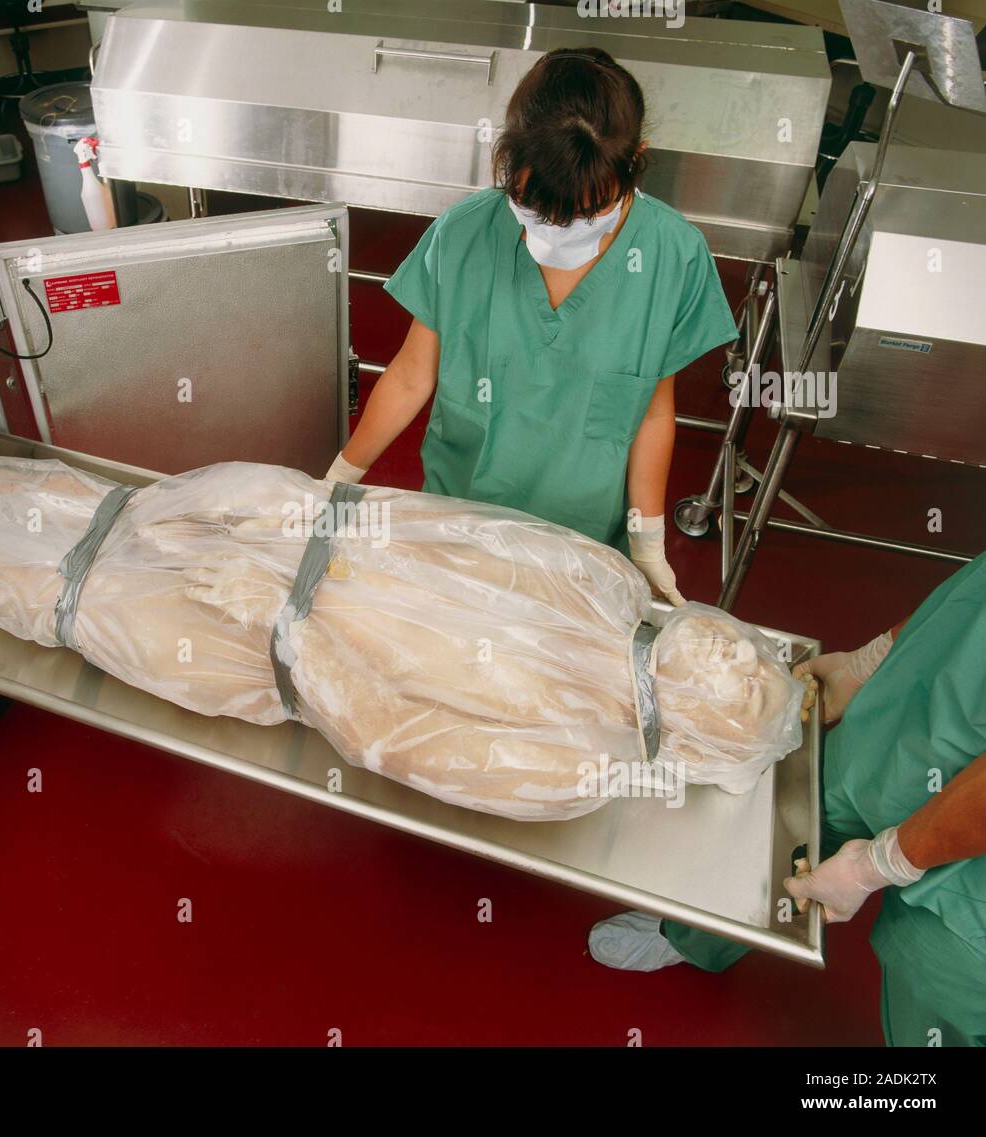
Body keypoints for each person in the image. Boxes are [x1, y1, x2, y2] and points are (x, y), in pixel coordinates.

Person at [325, 48, 738, 604]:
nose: (557, 230)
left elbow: (651, 411)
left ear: (634, 161)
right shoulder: (466, 234)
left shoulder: (671, 257)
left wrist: (647, 542)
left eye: (584, 213)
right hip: (461, 518)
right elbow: (411, 375)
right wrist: (339, 478)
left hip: (582, 541)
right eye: (536, 208)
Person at [588, 553, 986, 1048]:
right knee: (799, 830)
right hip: (913, 731)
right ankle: (694, 937)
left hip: (973, 881)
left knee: (937, 995)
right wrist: (874, 659)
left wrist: (882, 864)